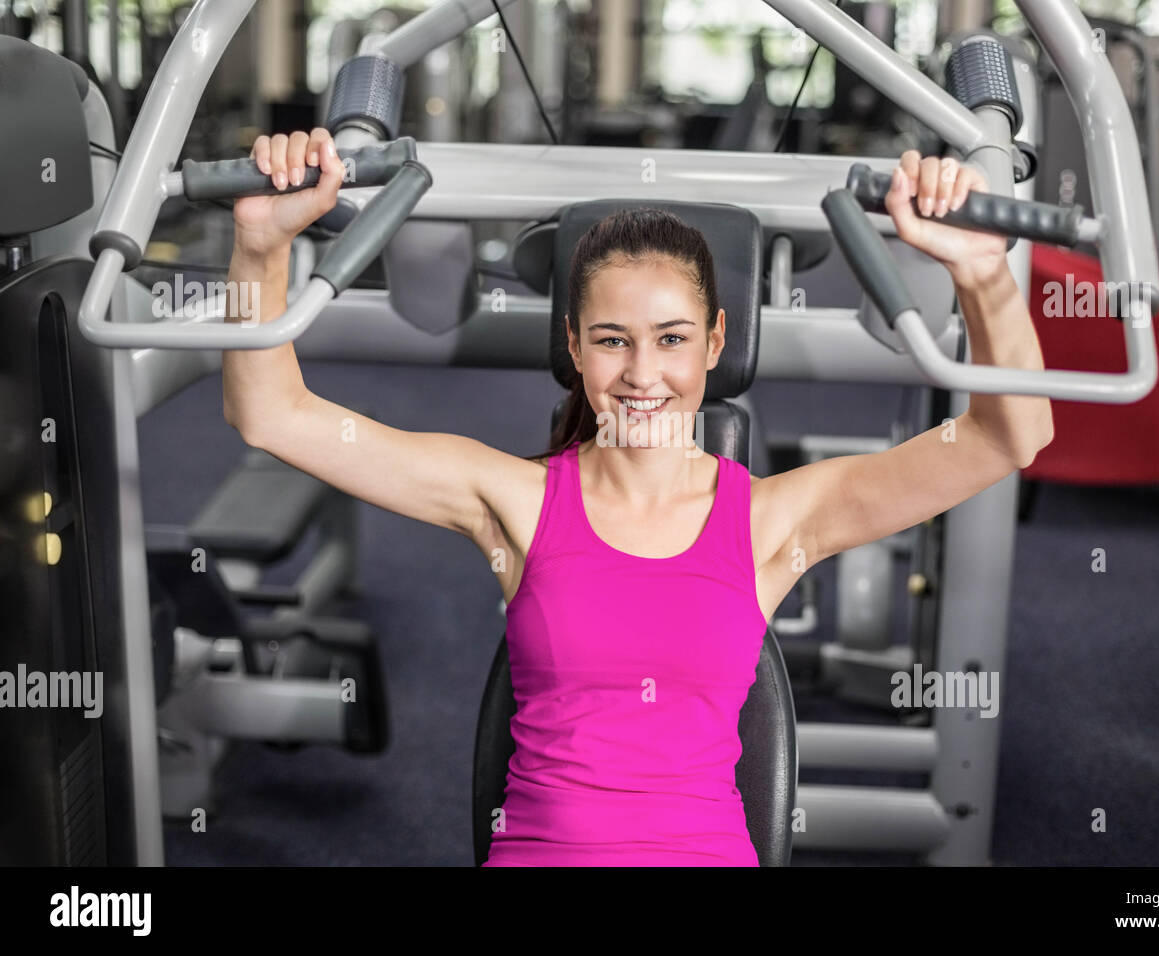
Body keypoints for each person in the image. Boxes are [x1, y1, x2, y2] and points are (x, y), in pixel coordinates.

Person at [222, 128, 1054, 866]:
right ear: (576, 347)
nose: (643, 375)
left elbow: (1008, 435)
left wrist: (983, 275)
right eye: (613, 341)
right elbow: (270, 413)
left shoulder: (773, 522)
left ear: (715, 342)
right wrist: (261, 247)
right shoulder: (511, 500)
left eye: (673, 340)